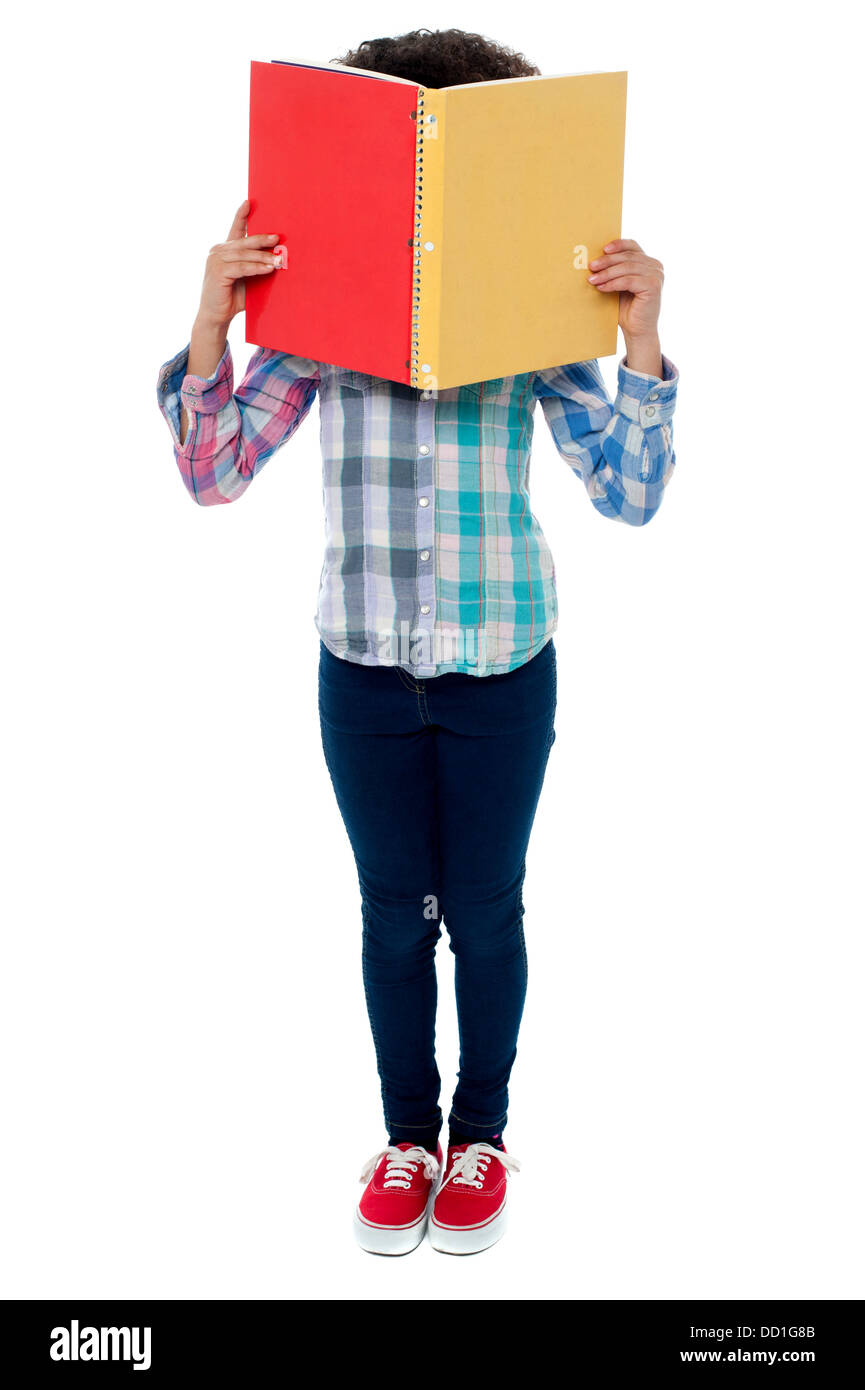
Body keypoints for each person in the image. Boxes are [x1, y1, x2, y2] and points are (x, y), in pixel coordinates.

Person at [156, 27, 679, 1257]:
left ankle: (479, 1133)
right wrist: (211, 318)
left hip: (504, 662)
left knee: (485, 910)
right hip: (365, 667)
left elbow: (632, 494)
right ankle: (405, 1137)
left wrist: (642, 335)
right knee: (395, 912)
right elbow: (211, 471)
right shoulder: (324, 318)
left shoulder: (532, 320)